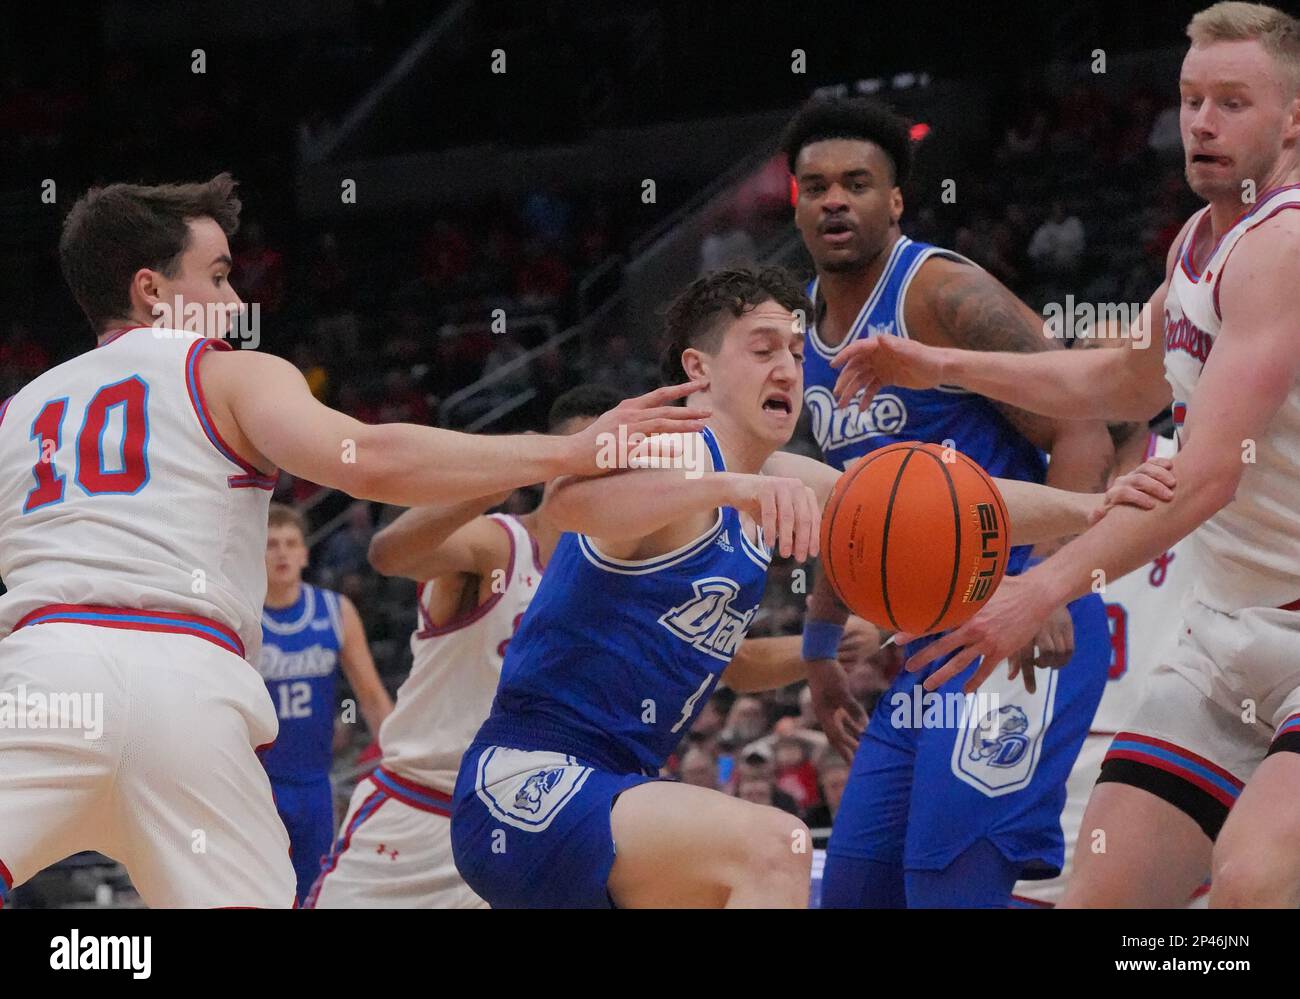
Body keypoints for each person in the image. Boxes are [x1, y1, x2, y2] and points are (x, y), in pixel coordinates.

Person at [0, 174, 708, 908]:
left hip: (42, 678)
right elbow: (367, 458)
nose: (239, 305)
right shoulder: (227, 373)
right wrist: (565, 453)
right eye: (217, 277)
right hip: (185, 688)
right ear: (153, 290)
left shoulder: (17, 413)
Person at [447, 265, 1170, 909]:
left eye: (796, 352)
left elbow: (955, 506)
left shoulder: (782, 480)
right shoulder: (668, 446)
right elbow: (571, 503)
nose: (789, 369)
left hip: (620, 794)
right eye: (763, 350)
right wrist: (733, 488)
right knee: (776, 849)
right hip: (526, 780)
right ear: (698, 369)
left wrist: (1092, 507)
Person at [833, 2, 1300, 908]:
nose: (1201, 121)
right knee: (1102, 904)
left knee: (1251, 890)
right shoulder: (1202, 241)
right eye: (1191, 97)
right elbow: (1127, 380)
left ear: (1295, 119)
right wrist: (940, 362)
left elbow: (1204, 475)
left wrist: (1039, 586)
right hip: (1231, 637)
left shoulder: (1283, 245)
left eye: (1233, 102)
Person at [782, 95, 1116, 908]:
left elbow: (1085, 427)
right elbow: (856, 508)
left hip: (1017, 618)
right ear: (794, 201)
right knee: (857, 890)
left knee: (948, 887)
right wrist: (820, 648)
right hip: (932, 647)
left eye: (857, 183)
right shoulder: (804, 334)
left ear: (894, 201)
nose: (834, 199)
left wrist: (1047, 582)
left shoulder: (939, 292)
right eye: (815, 184)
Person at [305, 384, 622, 908]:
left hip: (523, 833)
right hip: (419, 815)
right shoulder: (499, 544)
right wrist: (500, 475)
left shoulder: (616, 581)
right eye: (582, 458)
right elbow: (389, 553)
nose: (597, 475)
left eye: (611, 463)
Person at [257, 502, 392, 906]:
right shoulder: (240, 617)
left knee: (316, 892)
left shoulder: (335, 611)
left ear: (305, 552)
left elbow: (368, 695)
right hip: (257, 784)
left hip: (315, 782)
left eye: (290, 543)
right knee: (260, 891)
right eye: (271, 544)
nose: (281, 552)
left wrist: (402, 757)